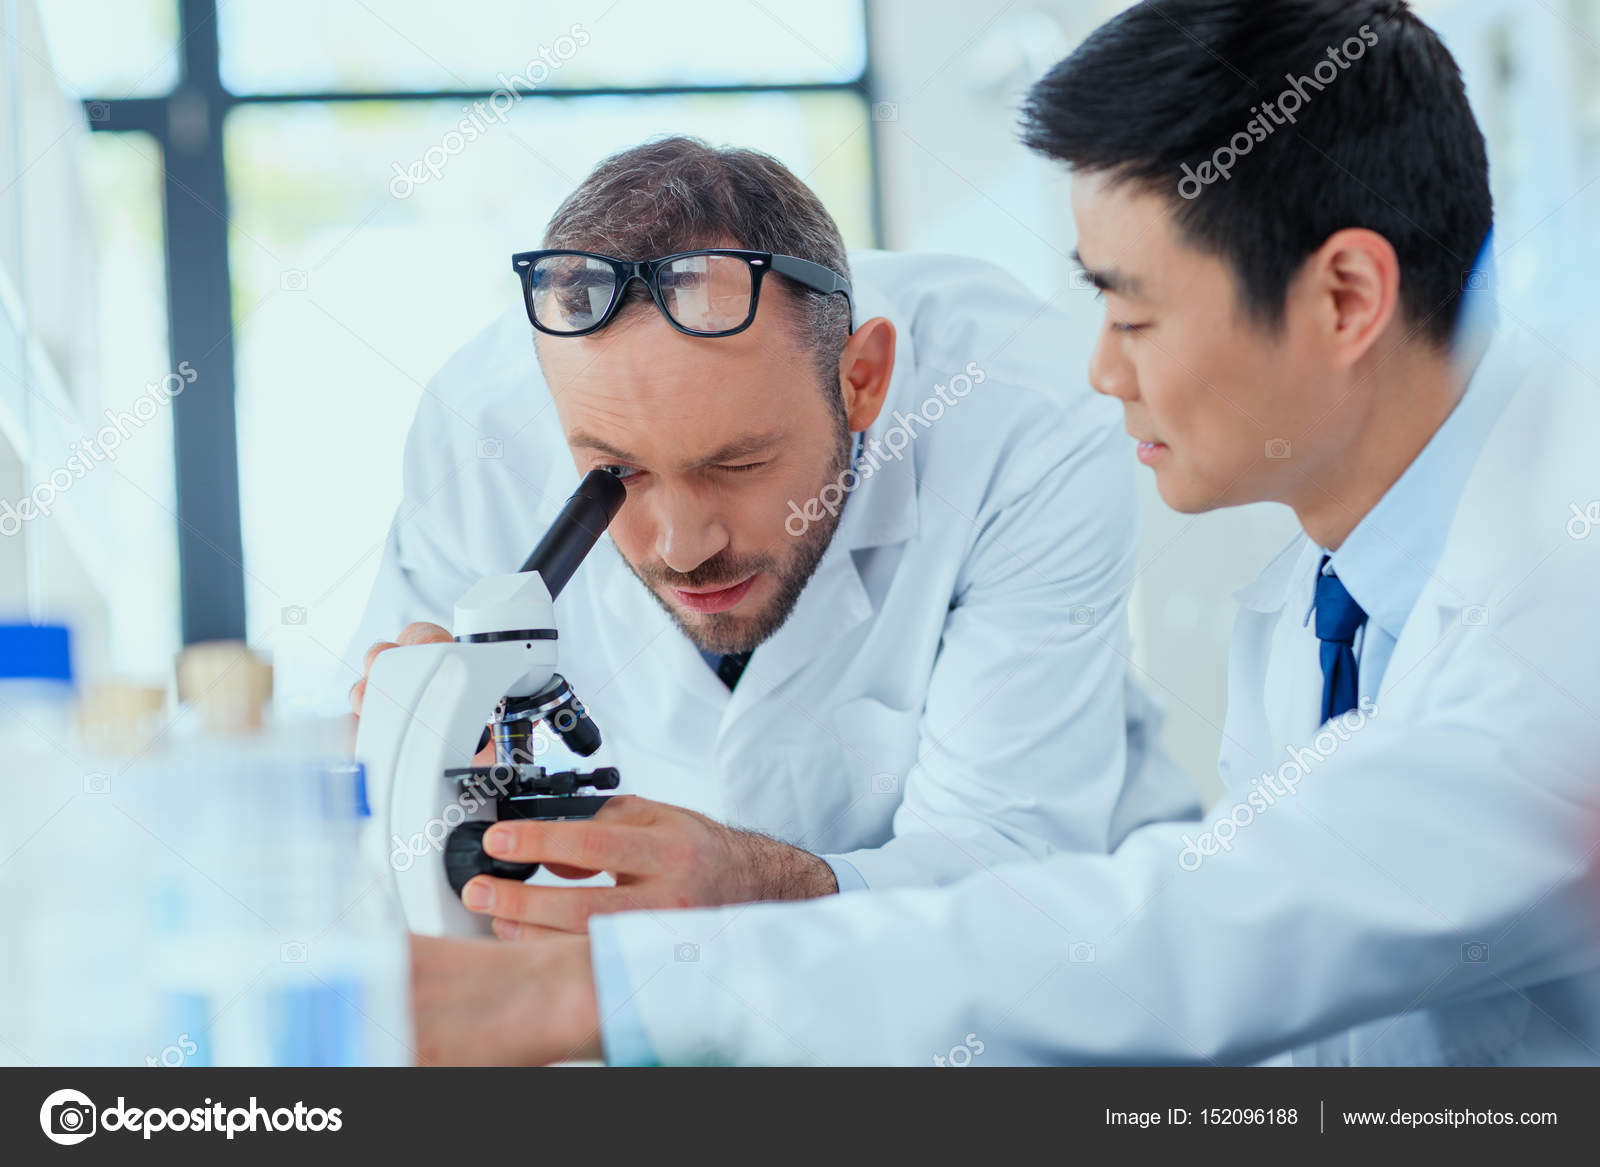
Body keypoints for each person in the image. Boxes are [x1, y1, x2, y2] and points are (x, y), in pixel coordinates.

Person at [409, 0, 1600, 1066]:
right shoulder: (1322, 601)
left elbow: (1200, 931)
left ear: (1345, 298)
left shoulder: (1564, 605)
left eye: (1128, 312)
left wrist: (606, 997)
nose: (1099, 371)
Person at [348, 137, 1196, 935]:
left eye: (739, 462)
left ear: (862, 379)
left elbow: (1007, 860)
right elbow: (379, 829)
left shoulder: (1025, 411)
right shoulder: (482, 430)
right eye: (617, 473)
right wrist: (409, 760)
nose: (682, 546)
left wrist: (755, 887)